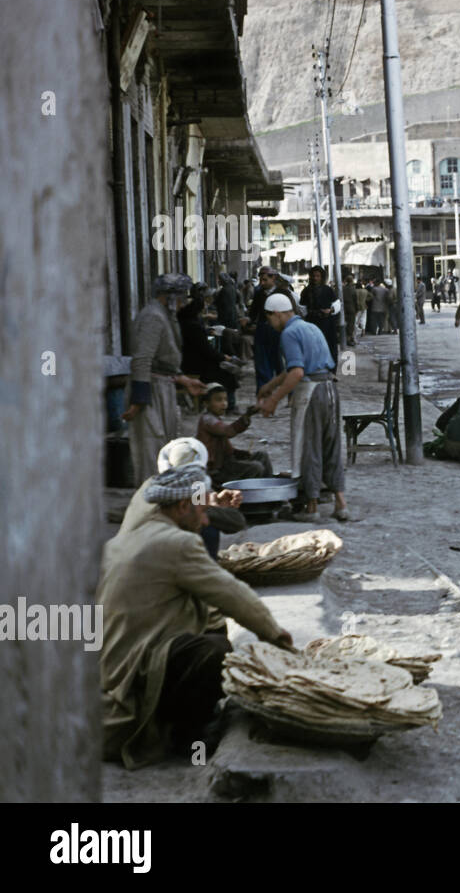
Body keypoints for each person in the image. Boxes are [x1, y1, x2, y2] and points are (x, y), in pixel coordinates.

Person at [99, 462, 293, 769]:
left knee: (210, 626)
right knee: (214, 652)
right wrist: (277, 636)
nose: (205, 520)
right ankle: (189, 740)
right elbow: (233, 595)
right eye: (202, 511)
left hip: (111, 680)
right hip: (132, 694)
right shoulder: (177, 543)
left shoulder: (121, 542)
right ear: (182, 506)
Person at [257, 293, 349, 522]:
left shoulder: (288, 333)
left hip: (312, 393)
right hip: (330, 388)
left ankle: (312, 507)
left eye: (270, 319)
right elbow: (296, 368)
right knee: (331, 445)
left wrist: (274, 399)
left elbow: (297, 372)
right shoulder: (311, 328)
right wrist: (270, 385)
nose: (271, 324)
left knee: (309, 447)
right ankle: (341, 504)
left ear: (276, 314)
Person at [123, 274, 206, 486]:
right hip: (149, 391)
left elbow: (164, 362)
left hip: (162, 387)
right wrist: (138, 400)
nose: (184, 302)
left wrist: (185, 381)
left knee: (164, 446)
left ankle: (161, 498)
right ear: (170, 296)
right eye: (182, 296)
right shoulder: (153, 317)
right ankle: (148, 503)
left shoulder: (165, 316)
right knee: (151, 448)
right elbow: (142, 360)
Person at [177, 283, 242, 407]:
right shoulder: (193, 326)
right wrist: (224, 357)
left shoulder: (185, 322)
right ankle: (229, 404)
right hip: (193, 365)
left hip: (189, 360)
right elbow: (207, 351)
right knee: (227, 372)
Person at [197, 384, 273, 487]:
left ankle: (269, 489)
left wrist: (239, 453)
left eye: (225, 400)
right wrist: (246, 416)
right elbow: (229, 431)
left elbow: (225, 447)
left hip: (226, 464)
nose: (224, 404)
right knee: (255, 467)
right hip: (216, 471)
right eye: (218, 400)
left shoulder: (215, 418)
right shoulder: (208, 420)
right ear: (206, 403)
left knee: (262, 455)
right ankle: (252, 499)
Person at [248, 267, 286, 393]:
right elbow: (253, 313)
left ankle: (288, 391)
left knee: (279, 361)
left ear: (273, 278)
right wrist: (248, 321)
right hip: (262, 330)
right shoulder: (259, 293)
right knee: (261, 361)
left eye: (265, 280)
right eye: (261, 280)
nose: (262, 283)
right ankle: (263, 390)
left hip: (278, 331)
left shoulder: (283, 293)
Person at [341, 272, 358, 347]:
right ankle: (349, 339)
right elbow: (355, 300)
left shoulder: (343, 289)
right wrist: (356, 309)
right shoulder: (353, 289)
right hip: (351, 308)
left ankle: (345, 338)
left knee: (344, 323)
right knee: (351, 324)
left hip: (344, 308)